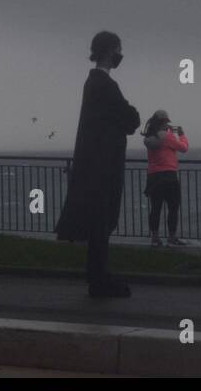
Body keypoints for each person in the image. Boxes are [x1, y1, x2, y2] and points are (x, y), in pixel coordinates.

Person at [55, 31, 140, 298]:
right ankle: (100, 279)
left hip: (93, 164)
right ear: (109, 51)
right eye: (118, 50)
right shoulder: (105, 85)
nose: (120, 55)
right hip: (103, 166)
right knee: (101, 221)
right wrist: (131, 114)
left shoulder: (92, 83)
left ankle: (98, 276)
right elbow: (131, 119)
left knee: (97, 223)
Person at [142, 110, 189, 246]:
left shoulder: (149, 138)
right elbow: (184, 148)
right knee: (173, 208)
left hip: (153, 177)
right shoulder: (168, 137)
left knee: (155, 208)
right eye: (166, 123)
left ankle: (155, 238)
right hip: (169, 176)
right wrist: (181, 135)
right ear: (164, 123)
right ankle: (172, 237)